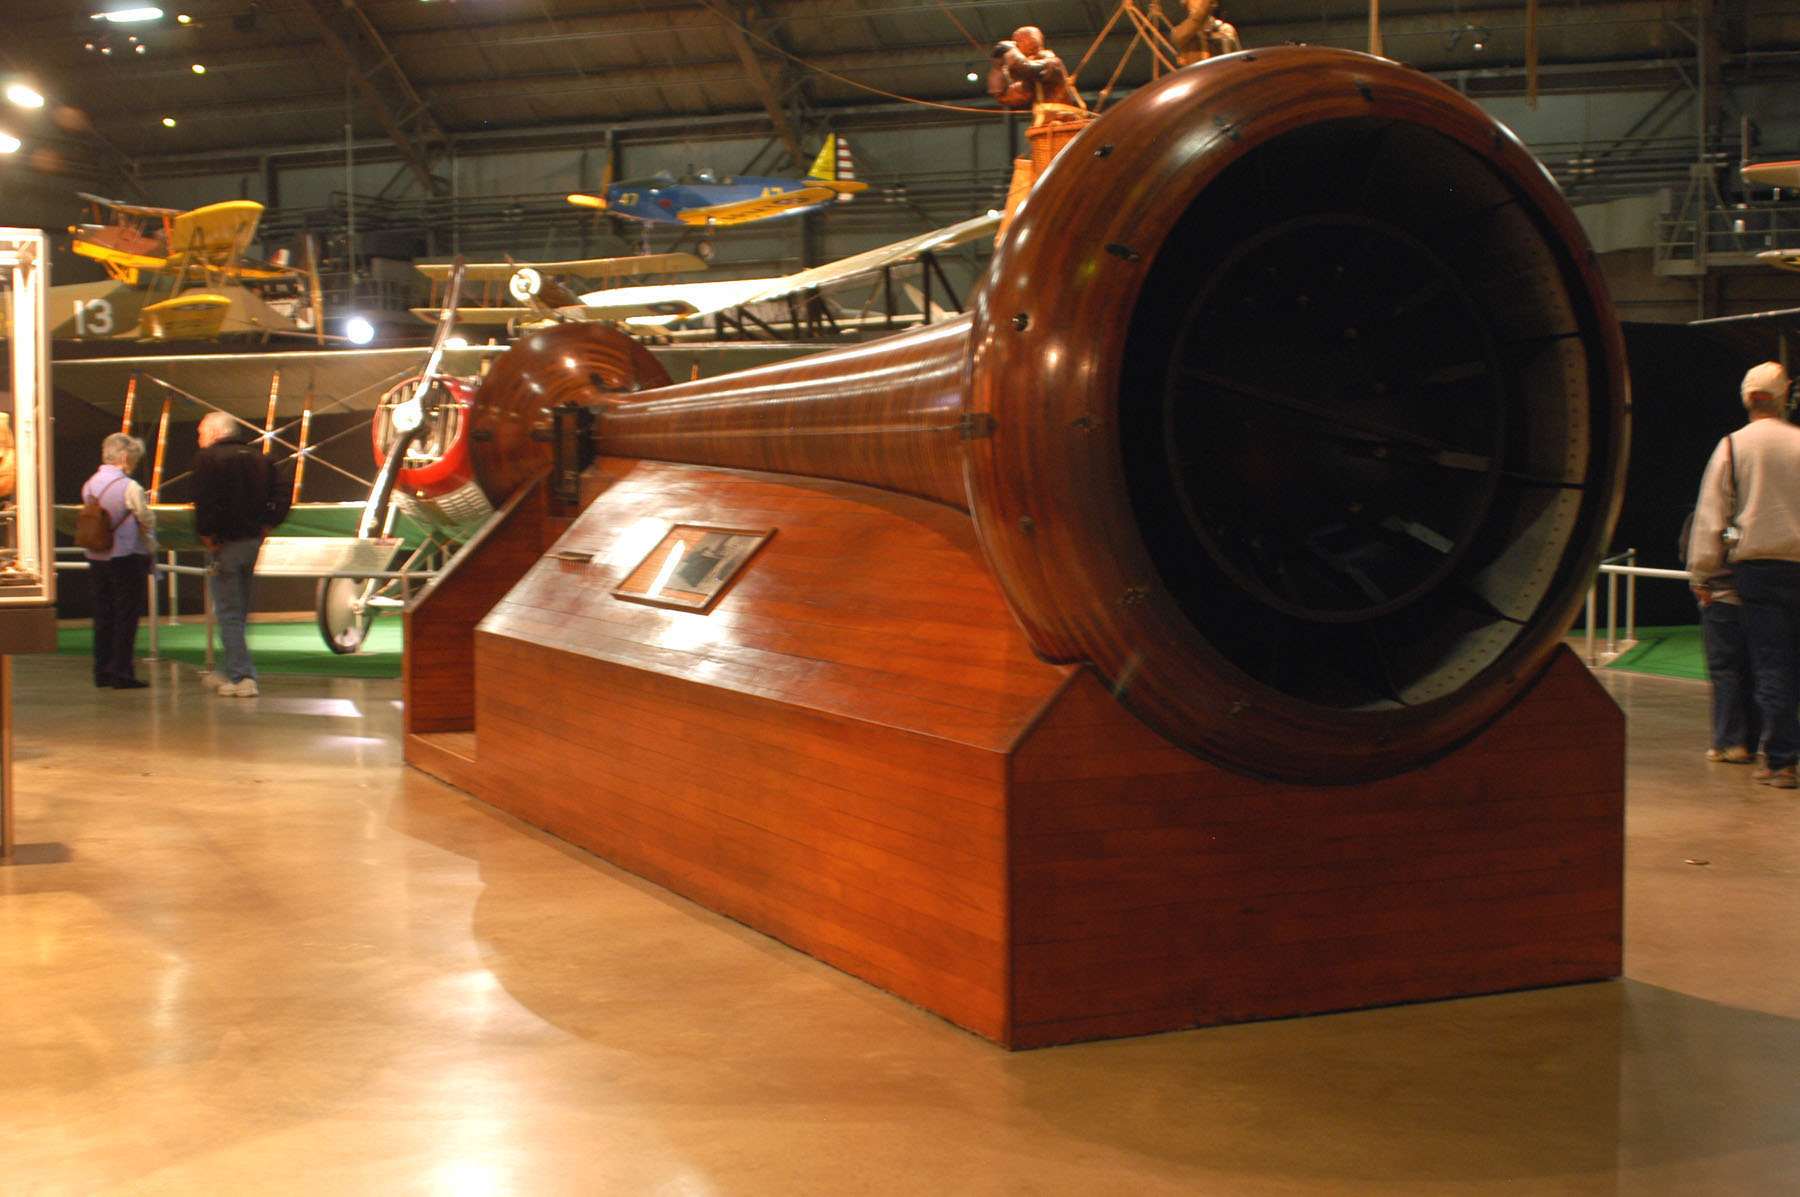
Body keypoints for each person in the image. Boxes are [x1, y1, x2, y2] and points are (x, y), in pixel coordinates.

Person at [1688, 361, 1800, 788]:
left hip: (1759, 571)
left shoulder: (1733, 446)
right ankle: (1784, 749)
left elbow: (1711, 515)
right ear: (1783, 395)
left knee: (1771, 665)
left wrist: (1702, 573)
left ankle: (1780, 761)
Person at [193, 411, 288, 698]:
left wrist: (208, 533)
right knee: (239, 610)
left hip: (225, 545)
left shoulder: (207, 459)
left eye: (200, 433)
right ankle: (229, 668)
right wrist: (268, 523)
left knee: (229, 613)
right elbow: (283, 494)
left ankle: (242, 677)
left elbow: (205, 500)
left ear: (212, 434)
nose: (199, 440)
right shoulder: (262, 459)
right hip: (251, 543)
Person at [80, 433, 156, 690]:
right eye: (133, 458)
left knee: (103, 615)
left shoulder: (89, 485)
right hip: (125, 557)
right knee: (126, 616)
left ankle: (101, 671)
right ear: (124, 457)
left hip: (96, 555)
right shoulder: (130, 487)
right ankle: (121, 673)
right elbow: (146, 519)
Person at [989, 26, 1079, 110]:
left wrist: (1011, 52)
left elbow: (1029, 69)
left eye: (1020, 41)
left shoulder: (1053, 64)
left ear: (1033, 42)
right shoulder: (1032, 83)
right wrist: (998, 66)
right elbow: (1004, 97)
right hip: (1046, 123)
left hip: (1064, 121)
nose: (1017, 45)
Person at [1170, 0, 1241, 66]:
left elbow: (1239, 63)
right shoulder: (1180, 32)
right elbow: (1196, 20)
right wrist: (1204, 8)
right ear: (1187, 3)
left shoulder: (1227, 30)